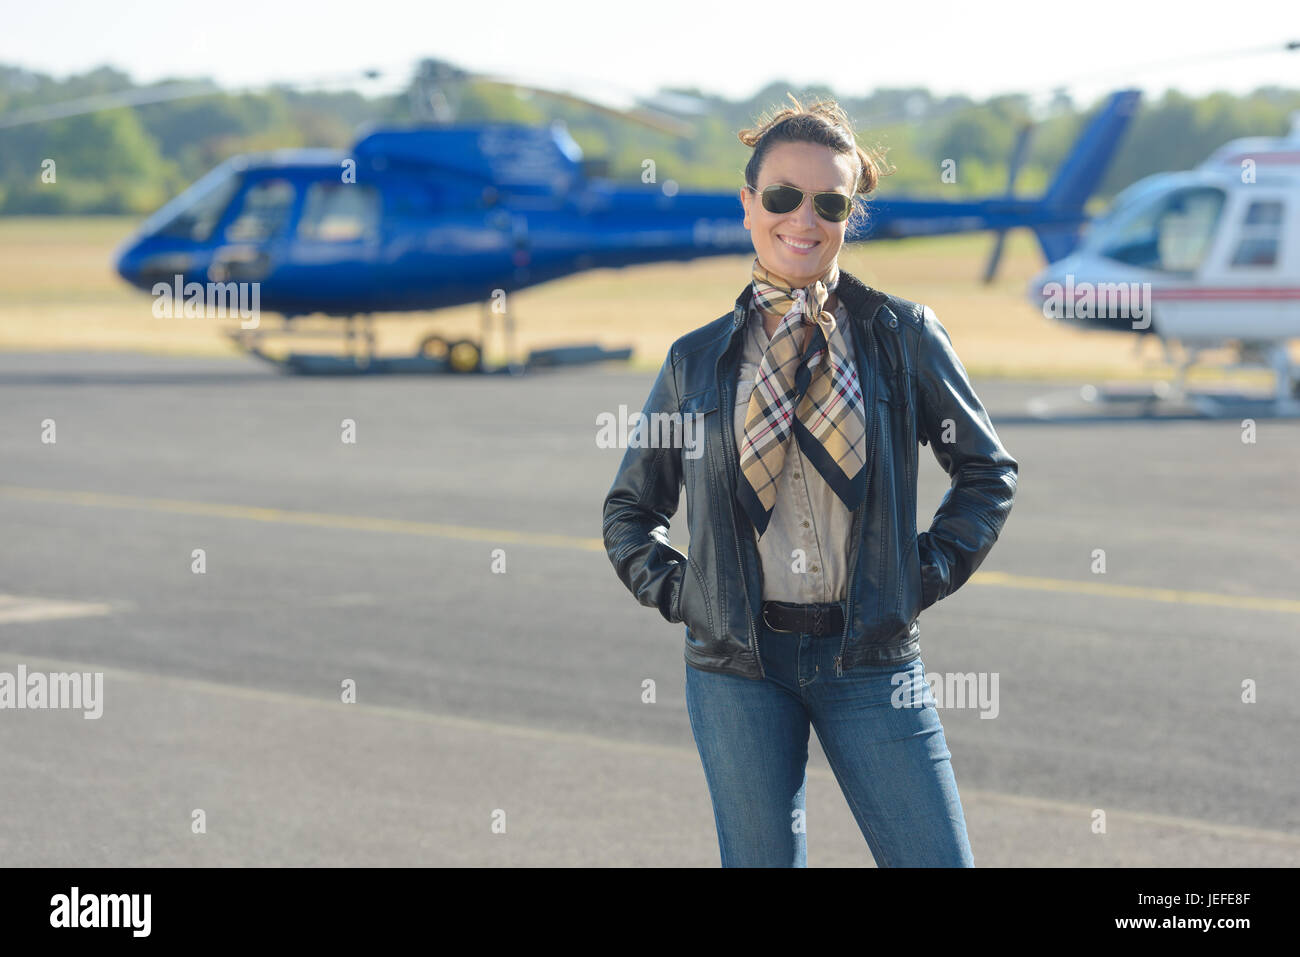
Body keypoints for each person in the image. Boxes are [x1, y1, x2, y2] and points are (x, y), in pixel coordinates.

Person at [601, 95, 1018, 867]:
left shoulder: (902, 336)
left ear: (850, 213)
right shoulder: (696, 361)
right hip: (737, 669)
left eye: (830, 201)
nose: (805, 217)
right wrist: (690, 596)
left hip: (873, 660)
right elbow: (631, 508)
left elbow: (986, 470)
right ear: (749, 204)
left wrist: (915, 576)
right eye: (784, 196)